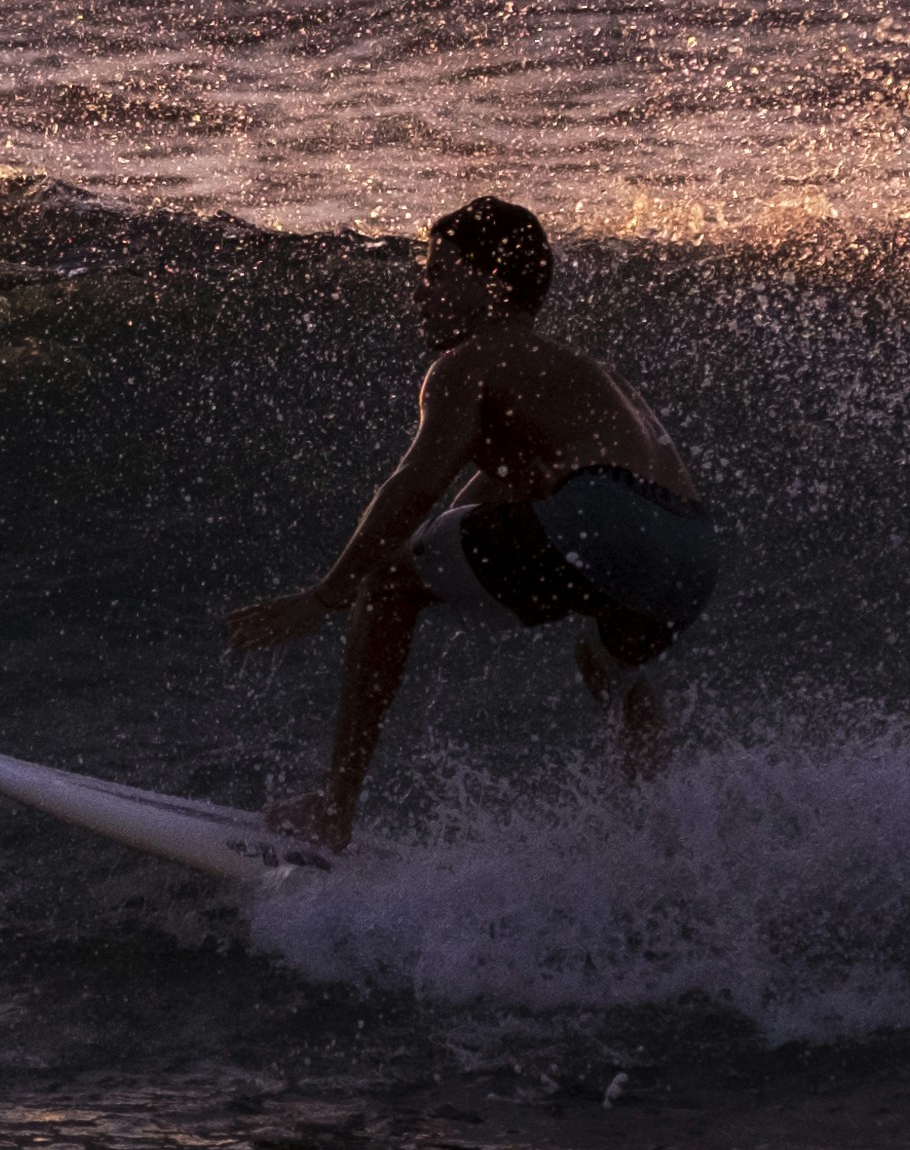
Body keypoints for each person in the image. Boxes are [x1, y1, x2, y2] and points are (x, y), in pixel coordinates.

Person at [225, 197, 721, 850]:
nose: (421, 290)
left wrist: (326, 595)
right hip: (691, 550)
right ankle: (660, 834)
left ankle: (334, 808)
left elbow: (416, 484)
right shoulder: (587, 376)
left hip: (603, 512)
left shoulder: (468, 362)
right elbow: (490, 500)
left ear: (490, 282)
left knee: (387, 585)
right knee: (607, 663)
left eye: (438, 271)